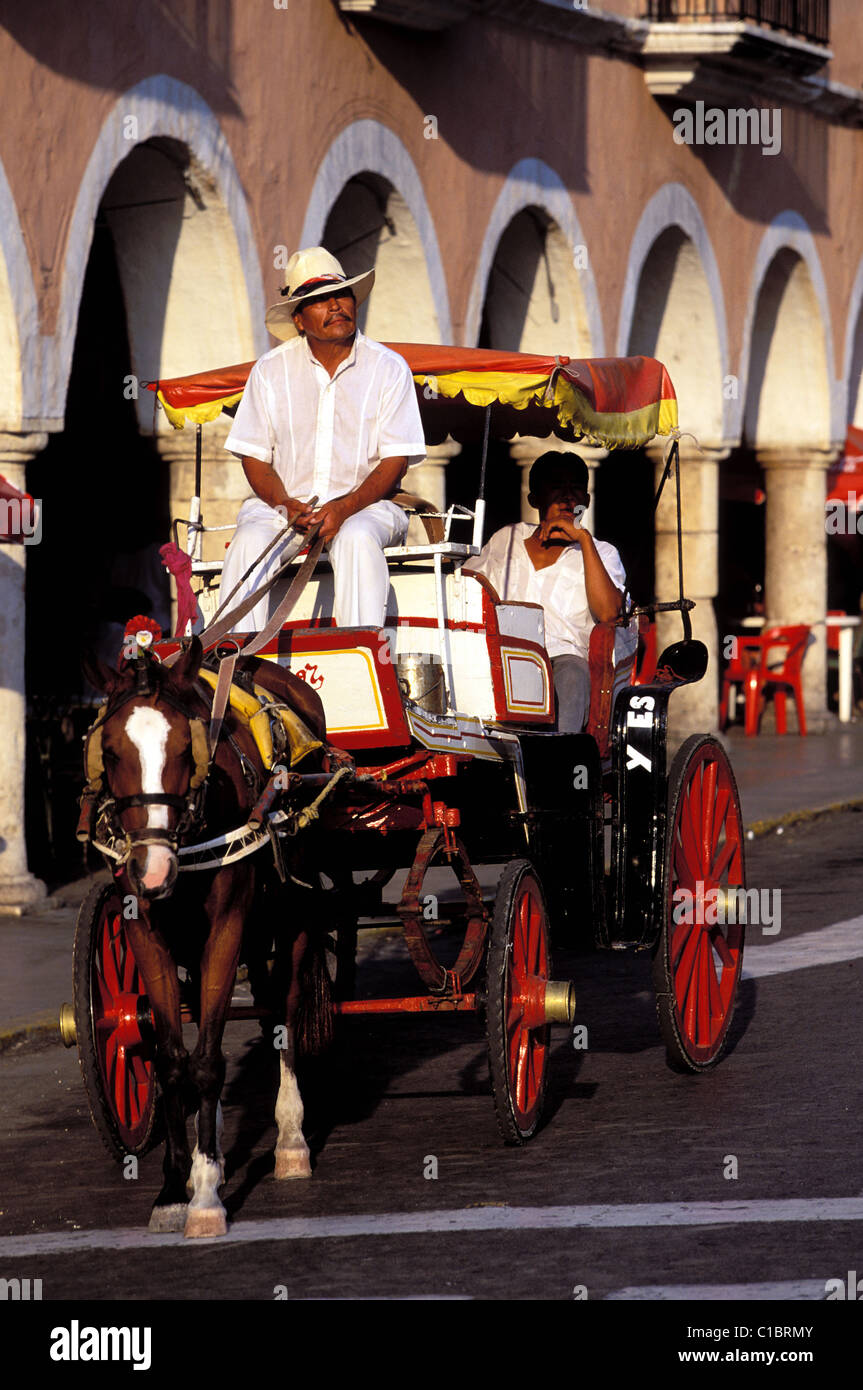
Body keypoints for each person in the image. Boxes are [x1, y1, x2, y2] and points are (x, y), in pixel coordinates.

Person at [220, 246, 426, 631]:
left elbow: (395, 461)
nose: (335, 306)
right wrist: (285, 504)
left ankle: (360, 649)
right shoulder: (269, 370)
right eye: (319, 300)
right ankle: (235, 657)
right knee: (249, 539)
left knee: (357, 539)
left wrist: (344, 508)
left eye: (342, 295)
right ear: (299, 320)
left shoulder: (389, 368)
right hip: (284, 508)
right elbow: (254, 457)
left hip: (367, 507)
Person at [465, 451, 637, 732]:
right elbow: (469, 586)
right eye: (557, 487)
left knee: (572, 673)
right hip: (503, 653)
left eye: (576, 489)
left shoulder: (603, 552)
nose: (568, 498)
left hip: (564, 660)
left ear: (587, 500)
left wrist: (583, 539)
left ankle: (560, 754)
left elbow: (608, 613)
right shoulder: (508, 538)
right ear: (535, 499)